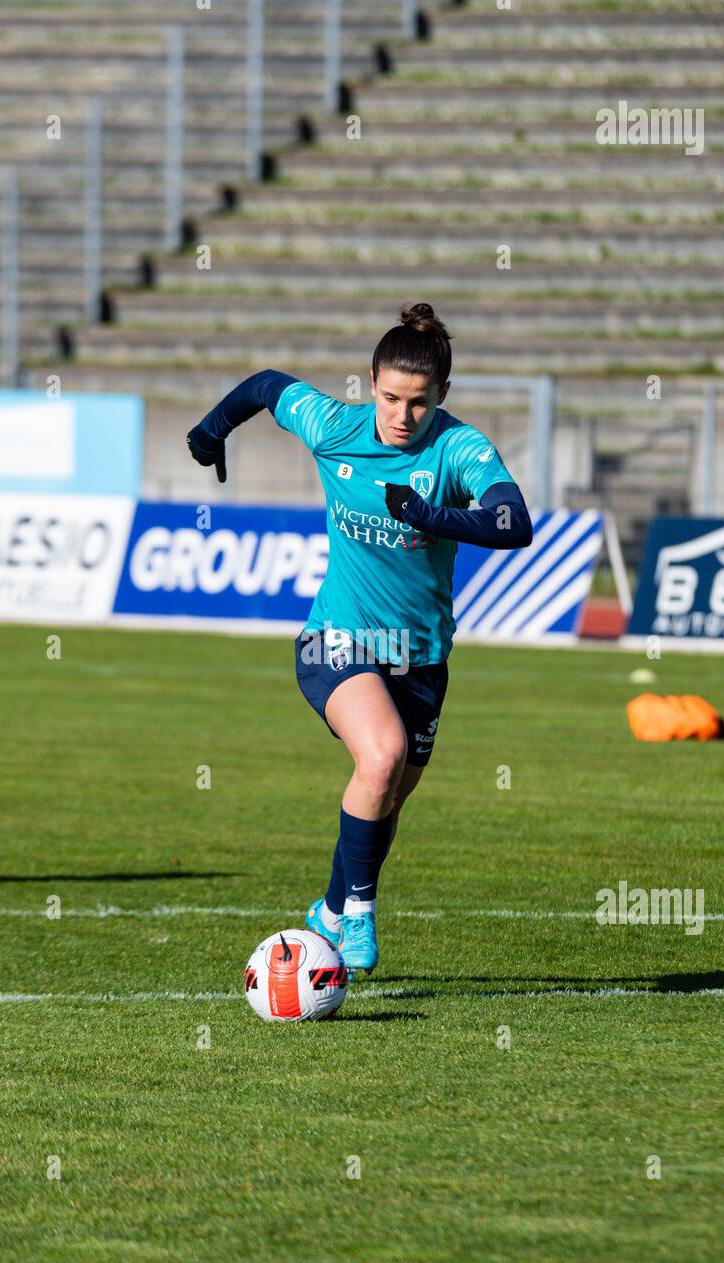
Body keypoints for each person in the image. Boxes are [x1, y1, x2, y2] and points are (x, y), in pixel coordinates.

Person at [187, 303, 532, 975]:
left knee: (387, 794)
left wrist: (431, 514)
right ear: (368, 383)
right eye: (389, 397)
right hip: (333, 641)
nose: (401, 416)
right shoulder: (335, 426)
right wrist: (211, 429)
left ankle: (329, 907)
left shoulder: (458, 448)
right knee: (381, 757)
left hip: (421, 659)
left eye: (418, 402)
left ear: (443, 397)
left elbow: (512, 522)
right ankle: (358, 919)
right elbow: (265, 384)